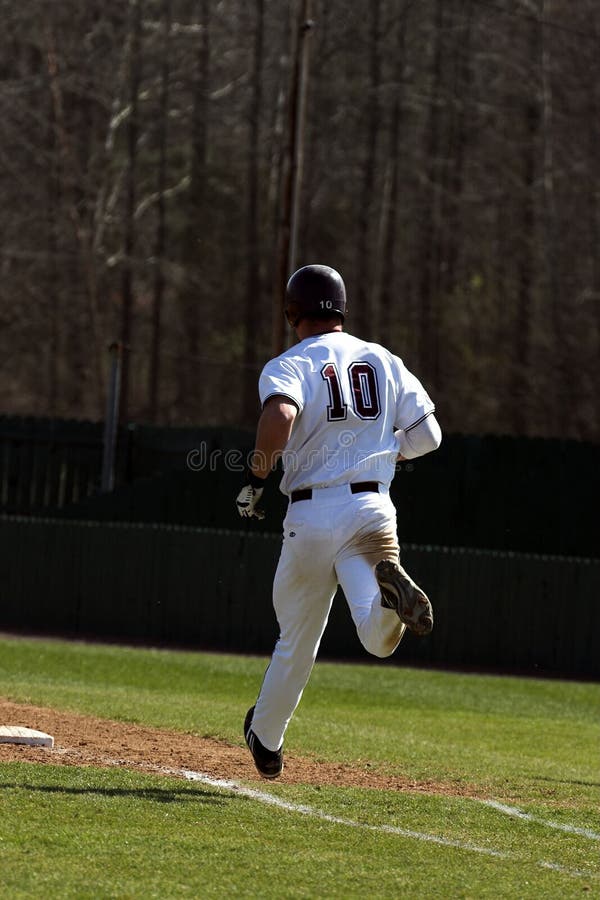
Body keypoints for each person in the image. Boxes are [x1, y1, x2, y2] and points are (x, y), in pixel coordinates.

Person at [236, 264, 442, 779]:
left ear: (292, 313)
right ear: (342, 310)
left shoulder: (289, 363)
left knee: (296, 642)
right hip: (371, 510)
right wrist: (381, 455)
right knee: (376, 636)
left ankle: (266, 738)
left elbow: (280, 417)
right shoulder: (383, 359)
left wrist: (256, 479)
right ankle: (395, 602)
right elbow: (429, 436)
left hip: (310, 513)